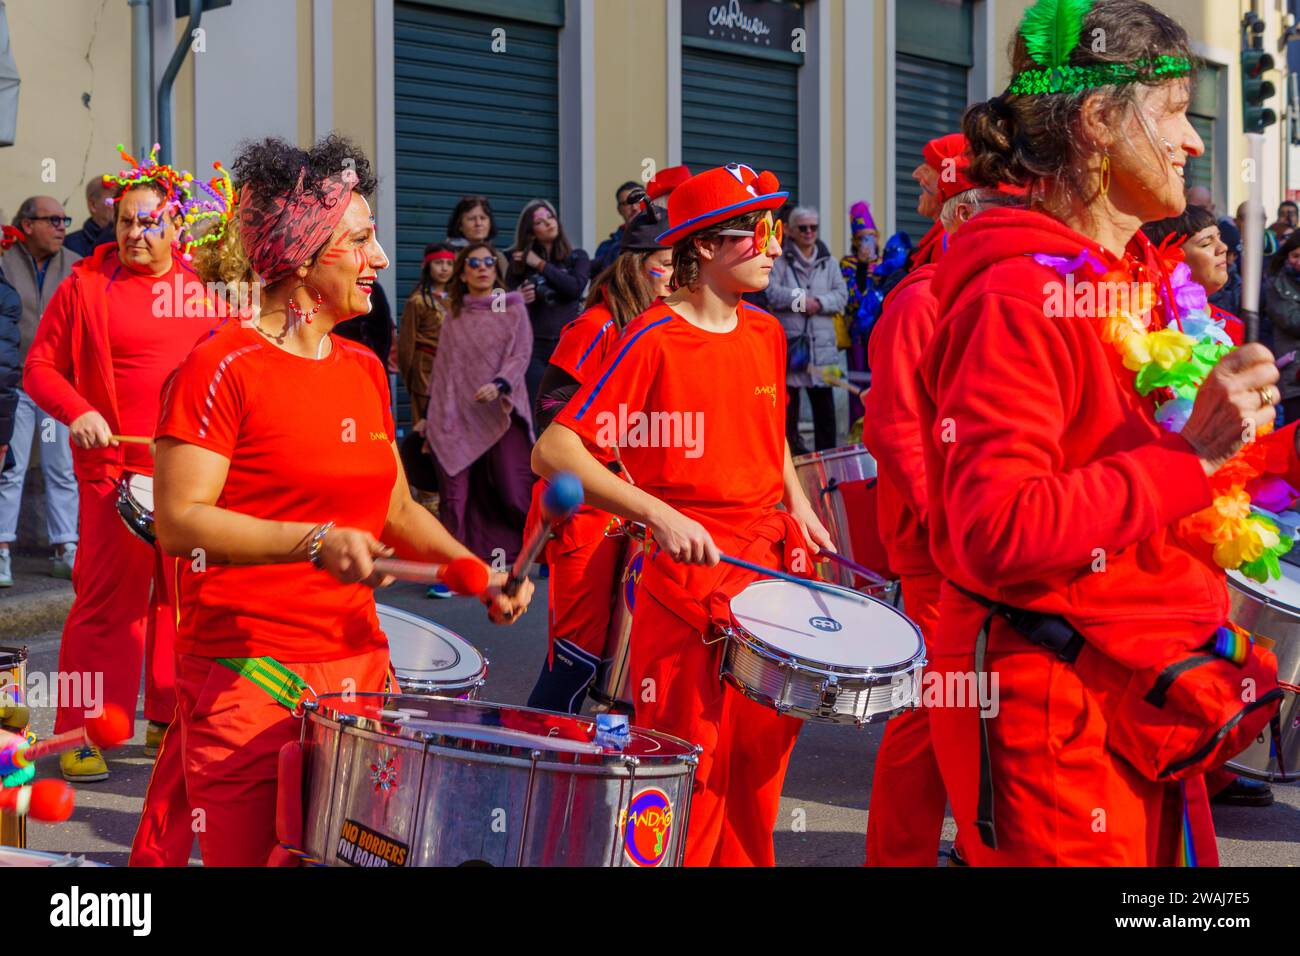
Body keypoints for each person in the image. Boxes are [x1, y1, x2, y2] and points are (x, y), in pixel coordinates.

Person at [922, 0, 1292, 866]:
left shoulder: (1136, 278)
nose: (1194, 142)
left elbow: (1181, 476)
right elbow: (994, 528)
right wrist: (1190, 451)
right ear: (1096, 120)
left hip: (1143, 696)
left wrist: (1264, 448)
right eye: (1172, 112)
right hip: (1063, 717)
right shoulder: (1016, 295)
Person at [139, 136, 532, 867]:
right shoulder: (218, 366)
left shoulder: (360, 368)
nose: (380, 257)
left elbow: (396, 509)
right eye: (359, 241)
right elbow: (180, 520)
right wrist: (312, 540)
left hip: (357, 675)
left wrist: (478, 571)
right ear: (301, 258)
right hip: (249, 674)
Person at [533, 163, 833, 866]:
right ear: (699, 247)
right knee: (682, 769)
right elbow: (557, 450)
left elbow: (772, 431)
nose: (769, 245)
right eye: (750, 234)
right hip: (685, 584)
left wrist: (797, 501)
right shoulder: (651, 337)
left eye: (772, 230)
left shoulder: (764, 332)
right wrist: (657, 515)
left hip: (768, 570)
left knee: (760, 768)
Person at [23, 148, 232, 782]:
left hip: (187, 474)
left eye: (150, 223)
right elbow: (38, 370)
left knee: (181, 599)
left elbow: (232, 374)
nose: (136, 234)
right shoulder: (85, 288)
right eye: (126, 222)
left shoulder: (205, 293)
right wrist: (79, 410)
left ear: (176, 226)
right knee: (107, 605)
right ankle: (80, 731)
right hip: (111, 472)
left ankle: (167, 719)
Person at [861, 134, 1021, 867]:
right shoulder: (922, 298)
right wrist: (951, 523)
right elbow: (894, 425)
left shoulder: (977, 286)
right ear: (969, 212)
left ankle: (967, 840)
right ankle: (898, 856)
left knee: (973, 707)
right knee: (932, 710)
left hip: (986, 544)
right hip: (942, 550)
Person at [525, 175, 681, 713]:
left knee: (620, 663)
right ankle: (534, 765)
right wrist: (615, 463)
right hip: (586, 513)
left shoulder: (651, 328)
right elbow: (550, 418)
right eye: (665, 265)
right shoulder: (595, 326)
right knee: (576, 657)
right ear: (637, 265)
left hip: (626, 513)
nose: (673, 279)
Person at [425, 241, 534, 565]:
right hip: (457, 415)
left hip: (503, 410)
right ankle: (456, 565)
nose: (483, 267)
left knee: (512, 488)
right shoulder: (455, 315)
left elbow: (521, 353)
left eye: (489, 261)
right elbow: (445, 371)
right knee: (457, 495)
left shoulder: (512, 306)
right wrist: (428, 415)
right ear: (462, 274)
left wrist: (500, 383)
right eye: (474, 263)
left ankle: (535, 548)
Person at [0, 196, 80, 582]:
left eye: (64, 219)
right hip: (15, 383)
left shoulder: (75, 264)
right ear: (27, 224)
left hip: (58, 383)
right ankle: (1, 550)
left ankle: (67, 547)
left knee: (62, 467)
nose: (61, 226)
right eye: (52, 220)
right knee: (9, 469)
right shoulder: (5, 259)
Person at [768, 206, 849, 455]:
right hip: (794, 348)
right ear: (791, 230)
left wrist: (820, 304)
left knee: (825, 412)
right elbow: (771, 292)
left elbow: (841, 297)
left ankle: (828, 462)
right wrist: (802, 301)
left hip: (823, 349)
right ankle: (790, 461)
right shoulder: (780, 260)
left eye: (813, 227)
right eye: (803, 228)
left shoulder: (829, 262)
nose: (809, 232)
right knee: (789, 410)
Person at [505, 199, 591, 404]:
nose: (549, 223)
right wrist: (516, 297)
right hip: (533, 347)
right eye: (540, 222)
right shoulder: (517, 263)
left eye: (550, 217)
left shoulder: (577, 257)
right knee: (536, 408)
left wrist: (540, 265)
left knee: (566, 409)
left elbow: (574, 288)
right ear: (531, 231)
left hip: (568, 346)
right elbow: (494, 303)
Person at [397, 241, 453, 536]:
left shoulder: (459, 299)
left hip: (455, 384)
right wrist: (412, 377)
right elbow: (406, 346)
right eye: (439, 263)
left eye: (449, 263)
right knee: (425, 441)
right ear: (428, 266)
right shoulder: (418, 301)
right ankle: (428, 503)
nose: (444, 268)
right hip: (425, 377)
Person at [840, 201, 880, 424]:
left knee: (877, 381)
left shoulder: (885, 263)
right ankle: (857, 428)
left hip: (878, 331)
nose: (868, 241)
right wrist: (863, 267)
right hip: (856, 334)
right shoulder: (848, 263)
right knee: (858, 383)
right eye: (863, 237)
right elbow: (851, 297)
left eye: (871, 236)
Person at [1263, 231, 1300, 425]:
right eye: (1295, 256)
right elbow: (1293, 321)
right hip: (1294, 373)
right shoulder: (1277, 284)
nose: (1299, 262)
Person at [590, 180, 642, 275]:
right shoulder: (606, 248)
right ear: (619, 210)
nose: (634, 207)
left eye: (638, 201)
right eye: (628, 203)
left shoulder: (663, 239)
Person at [63, 176, 117, 258]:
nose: (119, 205)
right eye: (113, 200)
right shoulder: (70, 245)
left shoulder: (127, 239)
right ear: (93, 205)